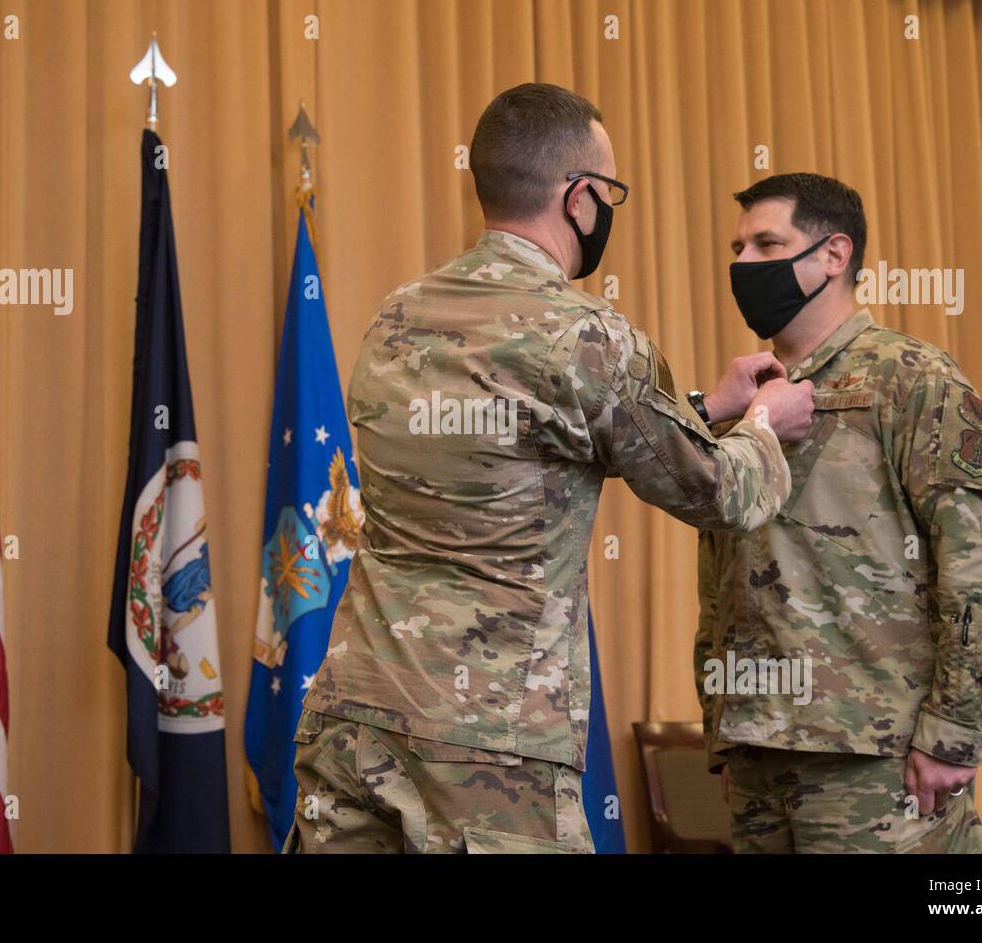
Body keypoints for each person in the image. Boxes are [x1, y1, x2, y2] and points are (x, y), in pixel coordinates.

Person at [280, 83, 813, 854]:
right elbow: (725, 493)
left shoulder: (396, 317)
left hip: (352, 714)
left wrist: (697, 403)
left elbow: (511, 443)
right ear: (581, 197)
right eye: (610, 192)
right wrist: (764, 424)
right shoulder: (584, 335)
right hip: (487, 746)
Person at [694, 172, 982, 853]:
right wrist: (724, 729)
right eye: (737, 248)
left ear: (834, 254)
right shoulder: (748, 407)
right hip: (759, 745)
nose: (743, 265)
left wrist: (954, 731)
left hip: (876, 754)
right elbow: (722, 577)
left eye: (767, 243)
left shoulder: (911, 378)